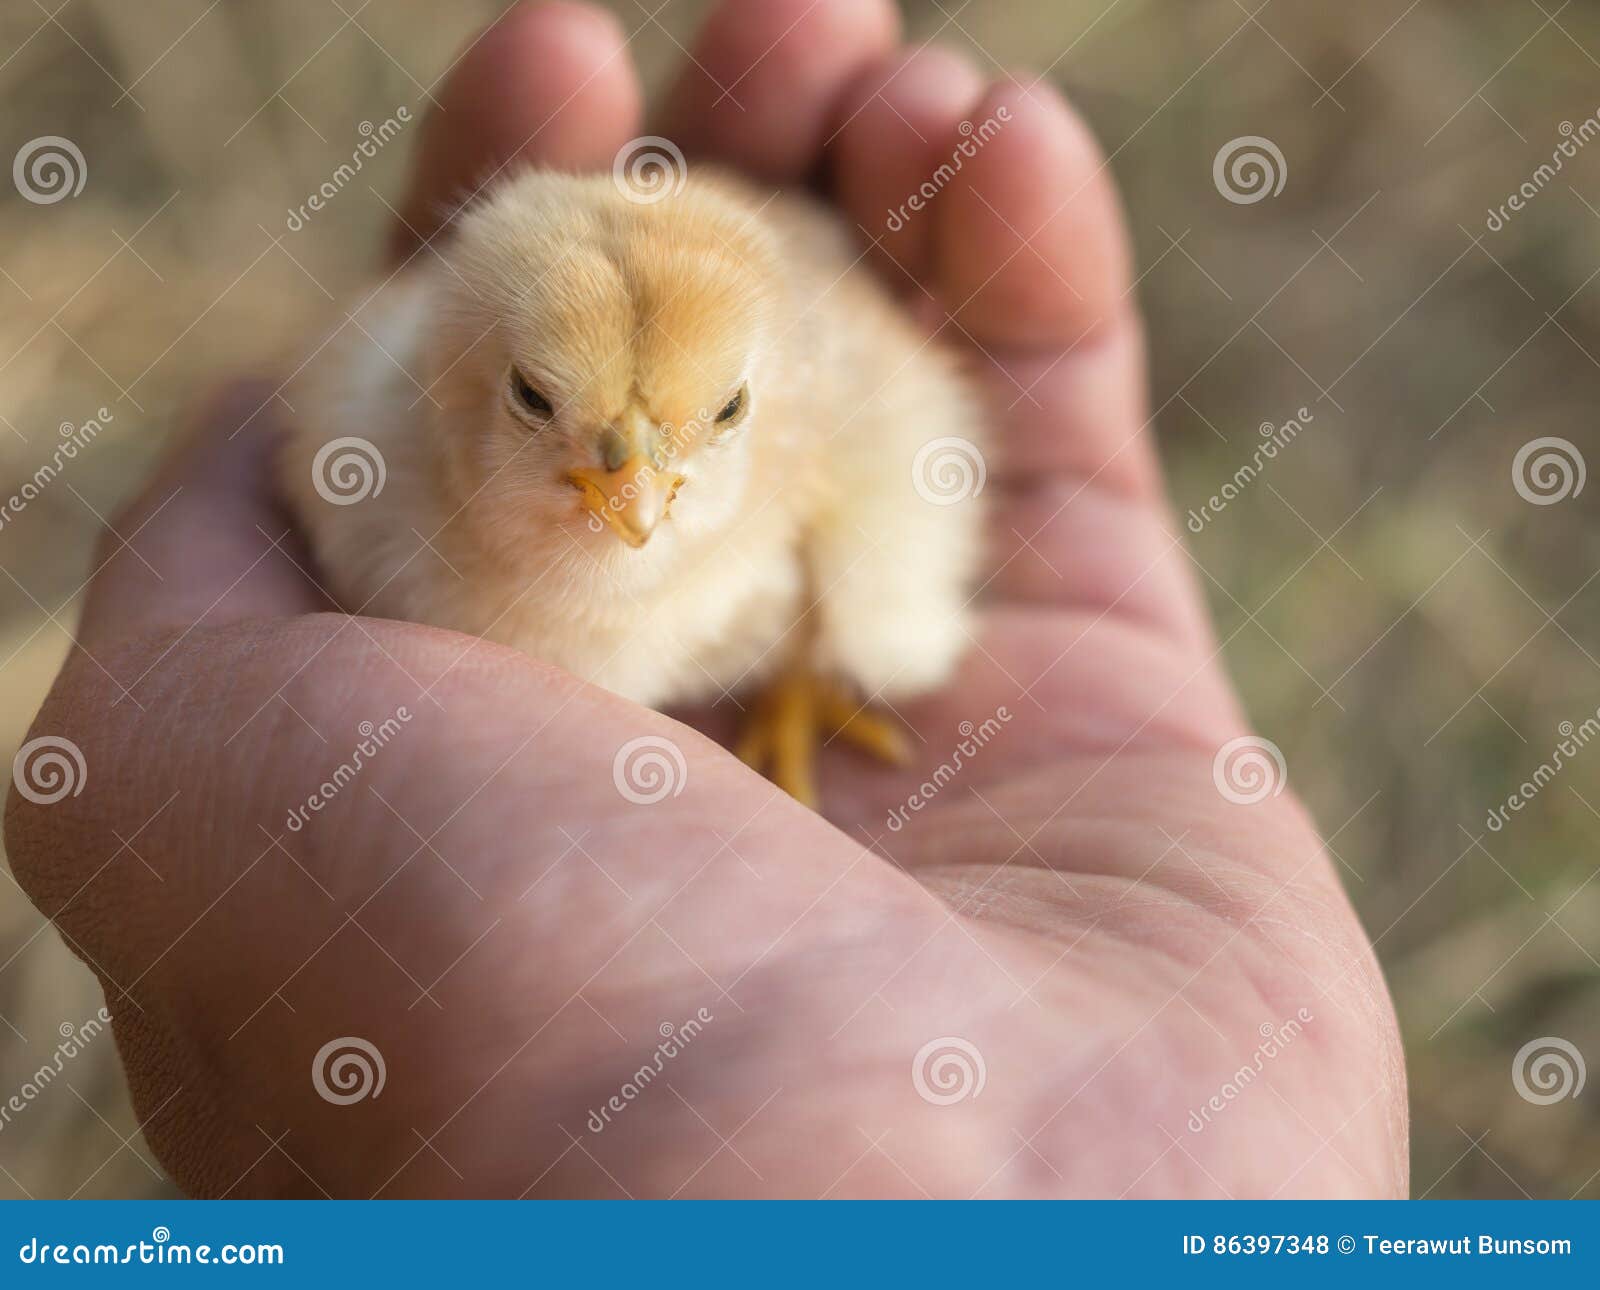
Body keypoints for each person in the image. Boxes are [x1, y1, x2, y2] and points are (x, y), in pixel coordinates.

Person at [3, 0, 1405, 1198]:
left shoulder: (825, 491)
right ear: (465, 384)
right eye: (546, 404)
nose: (640, 488)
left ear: (756, 406)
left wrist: (802, 653)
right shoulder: (365, 452)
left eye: (706, 428)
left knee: (882, 607)